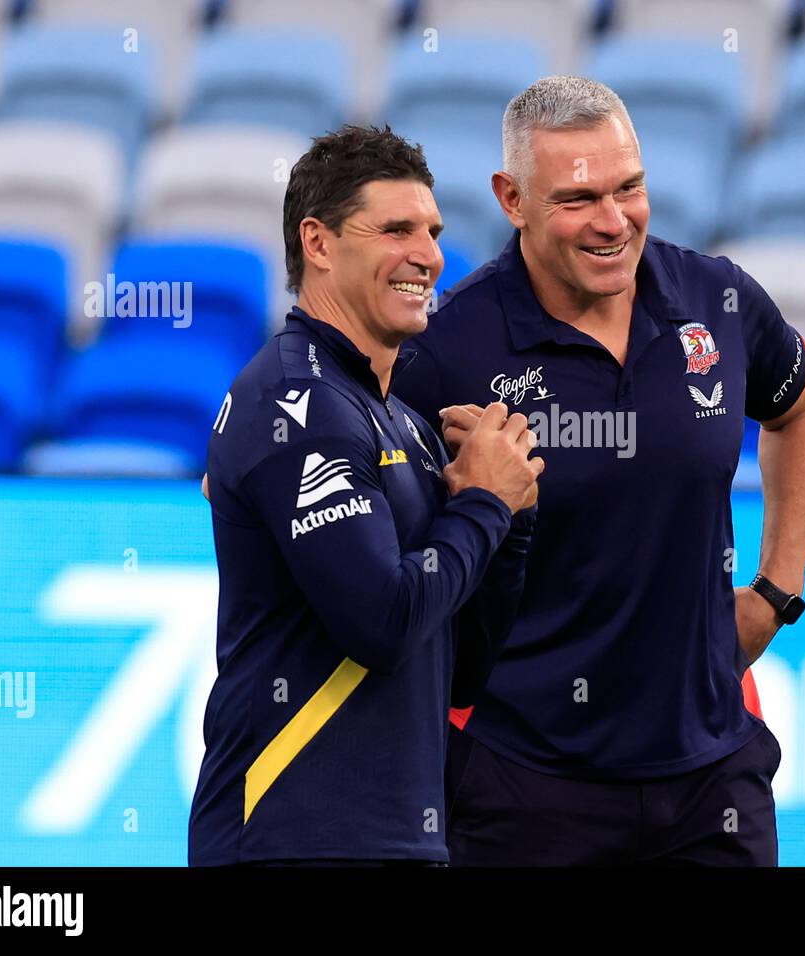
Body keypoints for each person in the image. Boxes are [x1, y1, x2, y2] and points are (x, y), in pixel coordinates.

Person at [393, 76, 805, 866]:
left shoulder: (717, 298)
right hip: (520, 787)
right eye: (577, 199)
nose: (613, 222)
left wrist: (776, 591)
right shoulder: (447, 346)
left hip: (713, 776)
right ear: (512, 199)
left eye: (629, 188)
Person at [188, 124, 542, 866]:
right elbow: (380, 623)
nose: (429, 256)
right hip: (290, 837)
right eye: (396, 230)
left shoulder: (405, 425)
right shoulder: (297, 400)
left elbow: (460, 665)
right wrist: (481, 503)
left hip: (397, 840)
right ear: (318, 243)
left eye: (434, 231)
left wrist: (510, 517)